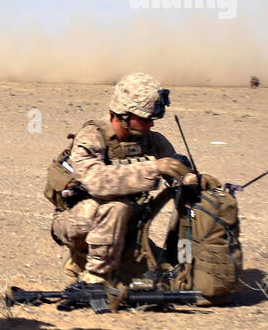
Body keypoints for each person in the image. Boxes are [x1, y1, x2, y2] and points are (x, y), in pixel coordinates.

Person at [48, 72, 215, 285]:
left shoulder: (152, 141)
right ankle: (89, 271)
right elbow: (97, 182)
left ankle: (120, 258)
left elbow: (174, 171)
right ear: (123, 114)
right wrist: (153, 168)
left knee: (163, 278)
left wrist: (191, 179)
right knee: (115, 206)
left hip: (126, 230)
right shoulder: (92, 137)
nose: (151, 125)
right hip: (77, 222)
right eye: (145, 119)